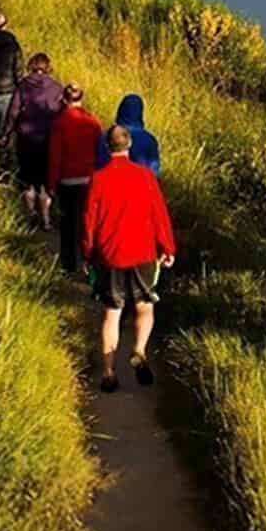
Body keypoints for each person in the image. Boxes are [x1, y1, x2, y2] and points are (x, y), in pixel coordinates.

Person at [81, 124, 177, 392]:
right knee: (145, 305)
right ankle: (139, 349)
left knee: (112, 312)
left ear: (106, 146)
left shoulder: (98, 179)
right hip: (143, 251)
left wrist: (88, 253)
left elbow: (89, 220)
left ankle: (109, 372)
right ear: (130, 144)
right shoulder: (145, 176)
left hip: (110, 254)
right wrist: (167, 248)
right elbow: (159, 215)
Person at [46, 84, 103, 276]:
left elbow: (55, 156)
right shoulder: (93, 122)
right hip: (89, 179)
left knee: (68, 223)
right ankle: (89, 264)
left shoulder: (60, 123)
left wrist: (51, 185)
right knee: (87, 223)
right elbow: (100, 152)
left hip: (67, 180)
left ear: (64, 99)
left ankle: (68, 264)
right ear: (82, 98)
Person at [7, 52, 65, 227]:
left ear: (31, 65)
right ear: (47, 67)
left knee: (28, 181)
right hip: (47, 140)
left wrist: (8, 133)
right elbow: (62, 113)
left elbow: (13, 111)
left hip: (26, 139)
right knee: (45, 184)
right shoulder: (56, 87)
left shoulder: (23, 85)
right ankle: (46, 219)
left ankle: (30, 215)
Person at [94, 93, 160, 174]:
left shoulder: (106, 137)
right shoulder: (149, 140)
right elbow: (154, 171)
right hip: (140, 184)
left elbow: (99, 165)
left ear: (120, 110)